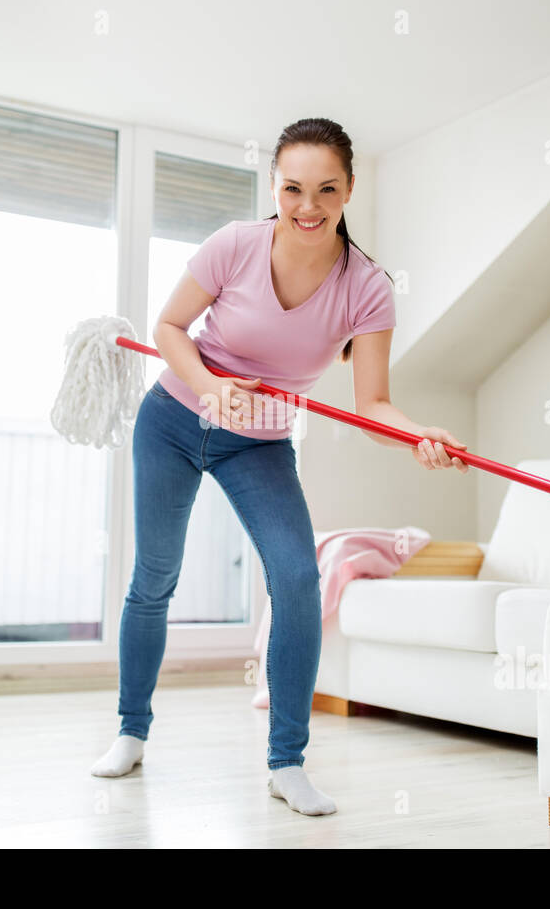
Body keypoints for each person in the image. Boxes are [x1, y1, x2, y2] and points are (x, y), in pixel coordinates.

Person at [90, 117, 469, 816]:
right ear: (274, 185)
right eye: (293, 188)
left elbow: (376, 404)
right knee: (155, 577)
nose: (308, 206)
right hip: (173, 420)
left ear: (350, 188)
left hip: (259, 442)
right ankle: (130, 731)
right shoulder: (234, 245)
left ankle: (286, 763)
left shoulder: (368, 288)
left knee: (297, 578)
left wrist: (419, 434)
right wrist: (210, 386)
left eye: (327, 189)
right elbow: (168, 329)